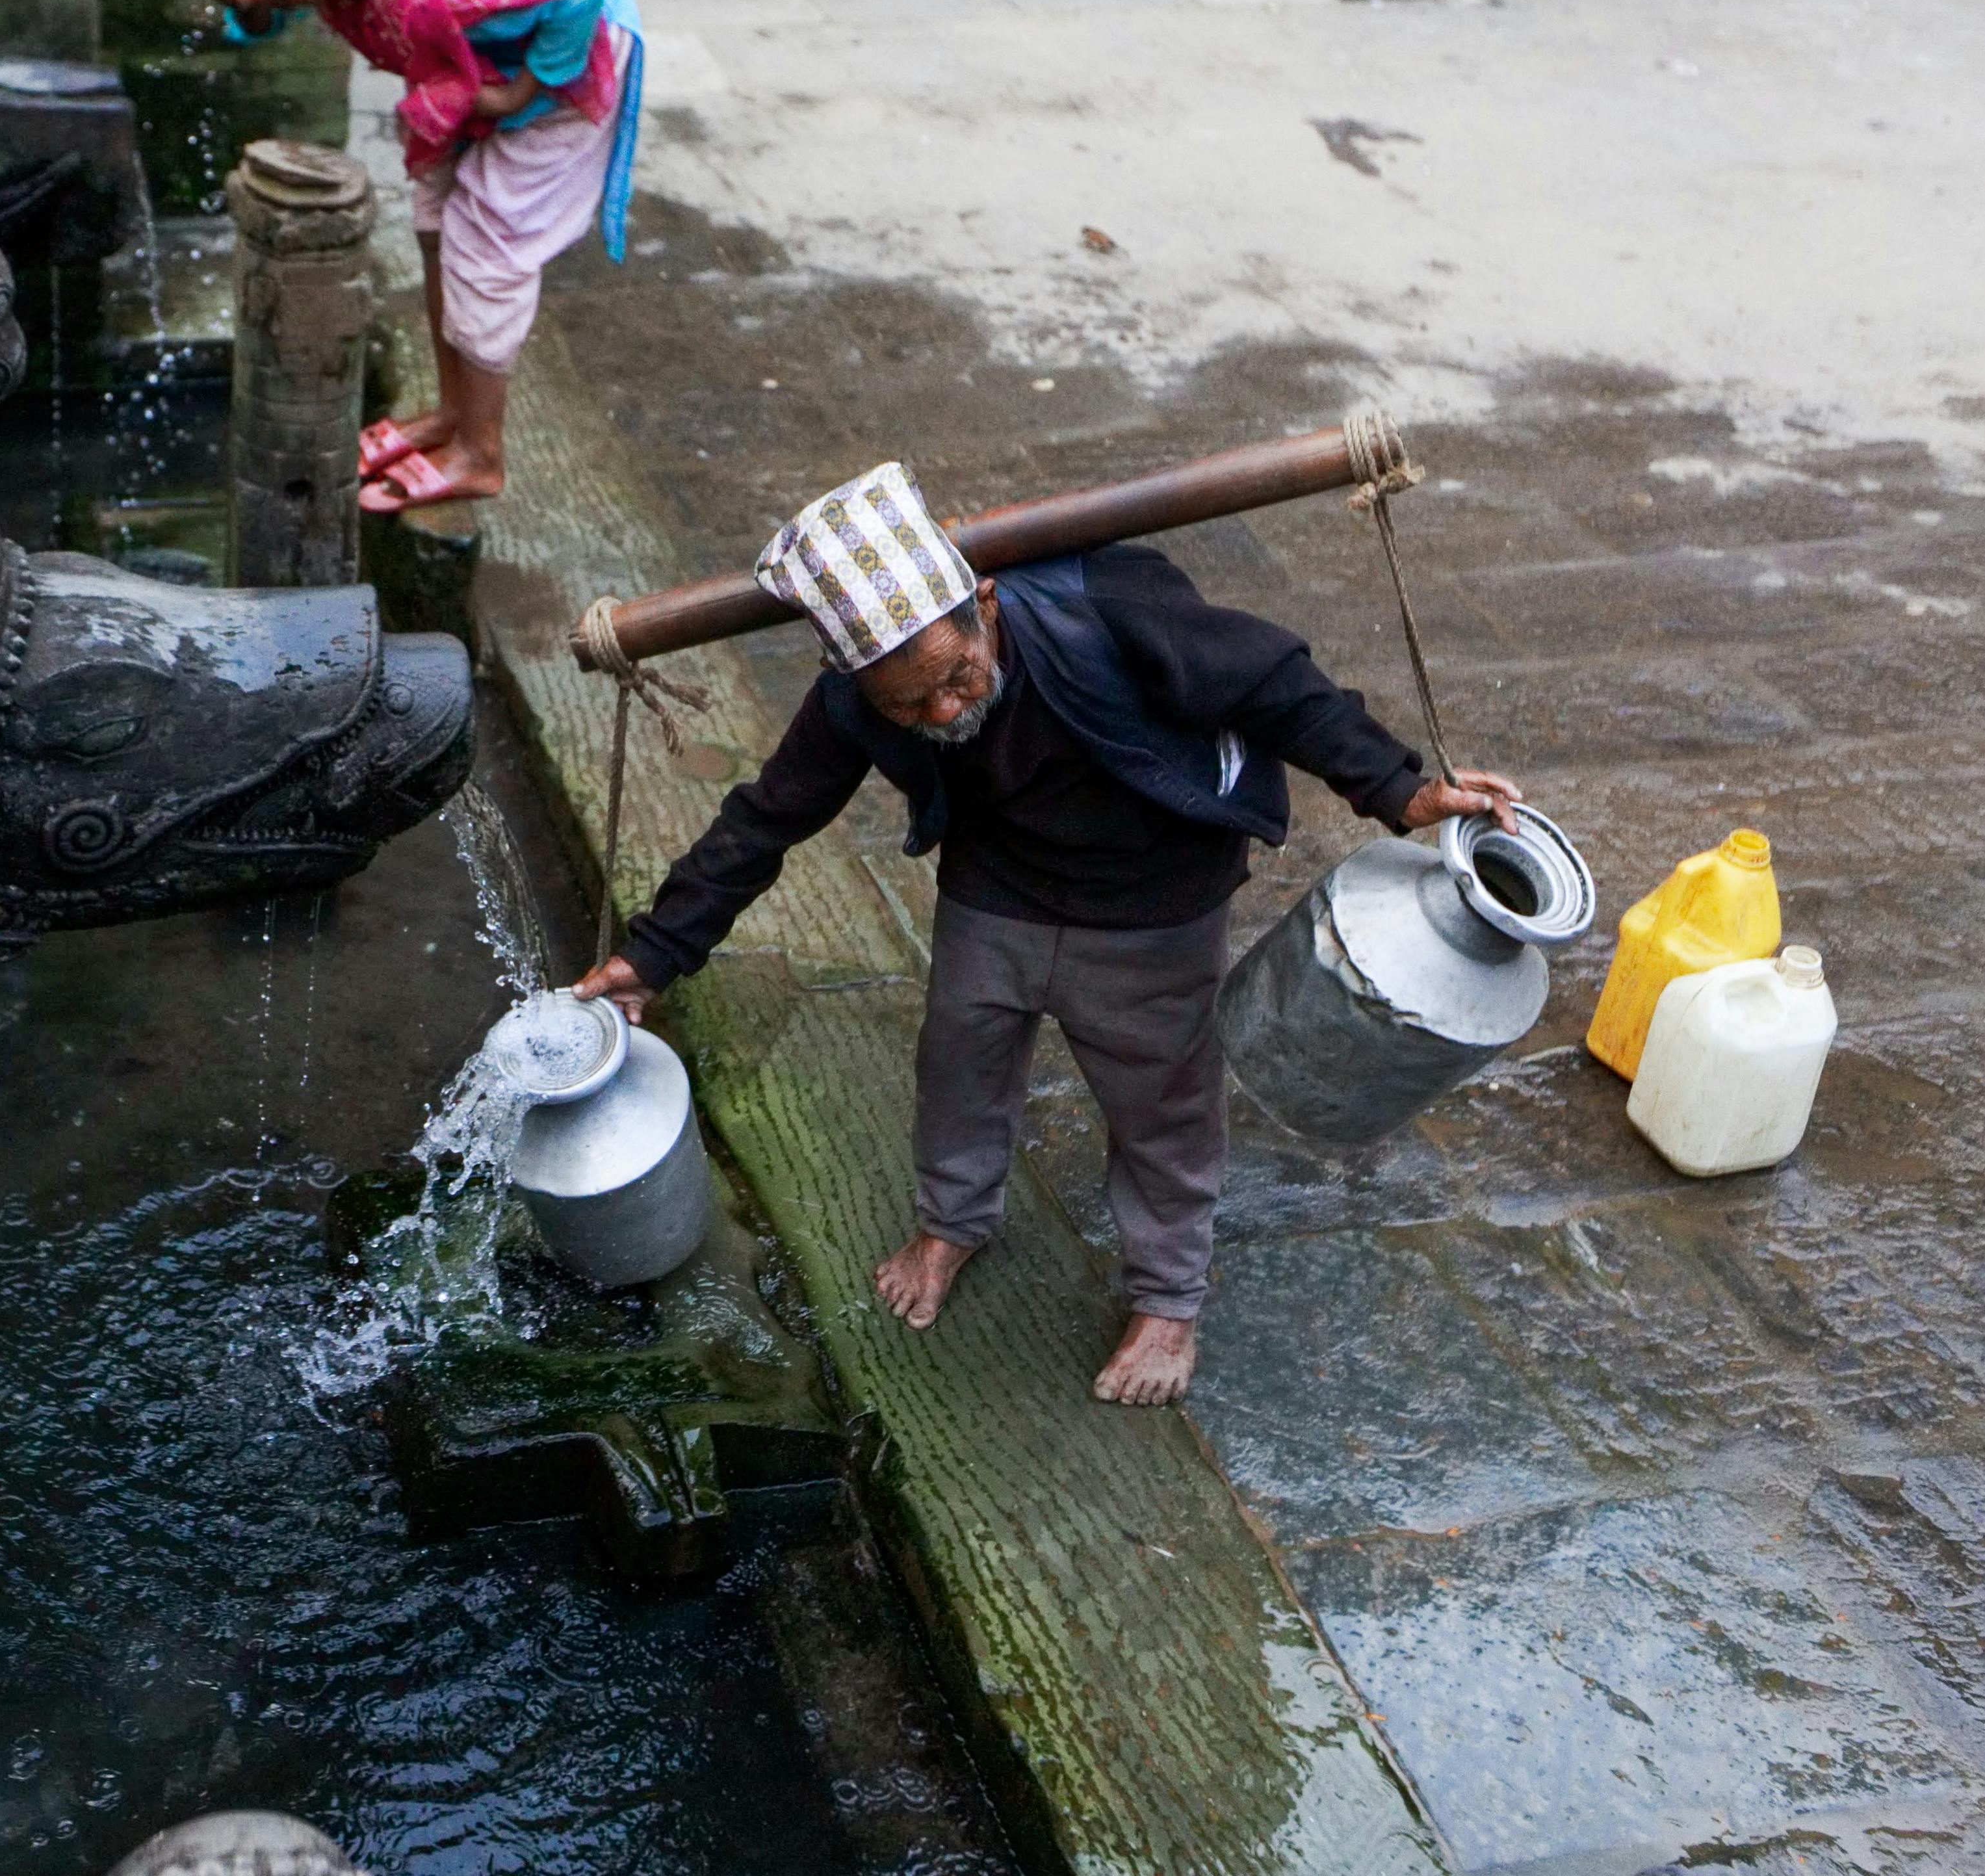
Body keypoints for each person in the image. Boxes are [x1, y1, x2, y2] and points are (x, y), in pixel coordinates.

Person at [569, 463, 1524, 1406]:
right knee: (959, 1062)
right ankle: (952, 1223)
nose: (943, 711)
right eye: (909, 705)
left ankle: (1166, 1298)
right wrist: (652, 955)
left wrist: (1398, 788)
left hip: (1155, 897)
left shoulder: (1108, 607)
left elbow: (1277, 685)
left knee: (1163, 1106)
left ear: (980, 600)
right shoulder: (857, 698)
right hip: (1000, 886)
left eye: (955, 677)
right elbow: (765, 819)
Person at [200, 0, 642, 516]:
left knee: (487, 249)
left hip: (569, 48)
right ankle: (449, 417)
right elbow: (285, 2)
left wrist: (521, 91)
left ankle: (480, 456)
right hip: (464, 58)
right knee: (436, 224)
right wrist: (253, 3)